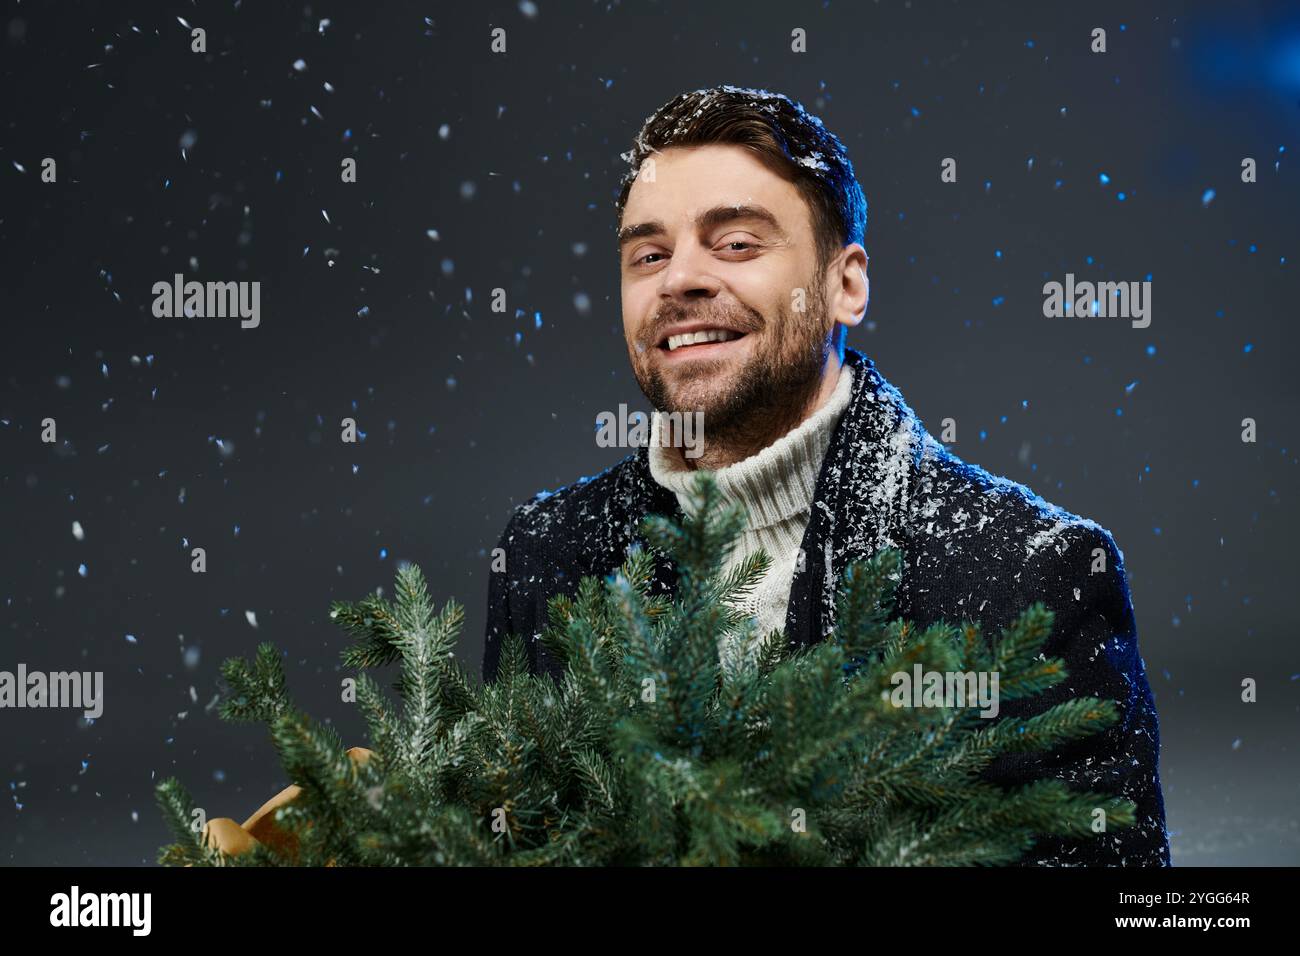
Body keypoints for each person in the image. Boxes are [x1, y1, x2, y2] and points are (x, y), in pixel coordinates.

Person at [482, 85, 1170, 866]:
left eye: (736, 243)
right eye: (649, 254)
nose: (680, 281)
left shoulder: (1031, 571)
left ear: (846, 285)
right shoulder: (543, 555)